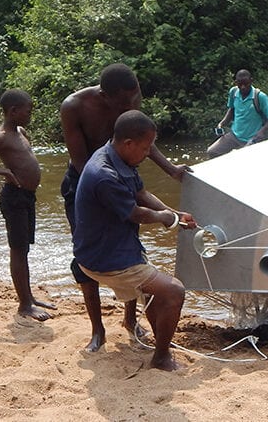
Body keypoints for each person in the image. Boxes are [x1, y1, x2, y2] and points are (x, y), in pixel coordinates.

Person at [61, 63, 190, 351]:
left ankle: (130, 321)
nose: (131, 105)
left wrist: (171, 171)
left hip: (120, 173)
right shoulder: (74, 107)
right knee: (87, 251)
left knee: (129, 248)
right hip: (91, 183)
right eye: (125, 103)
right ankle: (97, 330)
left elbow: (141, 138)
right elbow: (84, 163)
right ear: (105, 96)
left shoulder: (130, 106)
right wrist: (106, 195)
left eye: (135, 100)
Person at [72, 110, 197, 371]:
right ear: (128, 144)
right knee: (174, 291)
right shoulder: (104, 174)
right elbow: (136, 213)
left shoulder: (118, 157)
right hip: (105, 259)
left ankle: (155, 340)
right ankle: (161, 358)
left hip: (118, 247)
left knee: (156, 290)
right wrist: (167, 219)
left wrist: (174, 214)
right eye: (145, 147)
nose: (148, 153)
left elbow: (140, 192)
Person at [0, 89, 56, 321]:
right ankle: (24, 305)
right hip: (13, 198)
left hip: (27, 197)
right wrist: (2, 170)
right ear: (13, 111)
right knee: (17, 250)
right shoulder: (0, 137)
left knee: (24, 249)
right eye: (28, 110)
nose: (30, 114)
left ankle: (29, 297)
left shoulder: (21, 132)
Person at [207, 69, 268, 158]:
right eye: (240, 84)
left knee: (243, 158)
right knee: (212, 151)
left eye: (246, 84)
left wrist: (261, 132)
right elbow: (231, 110)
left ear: (251, 81)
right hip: (234, 135)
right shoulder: (233, 92)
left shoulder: (260, 96)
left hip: (253, 138)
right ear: (236, 82)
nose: (243, 87)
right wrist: (221, 124)